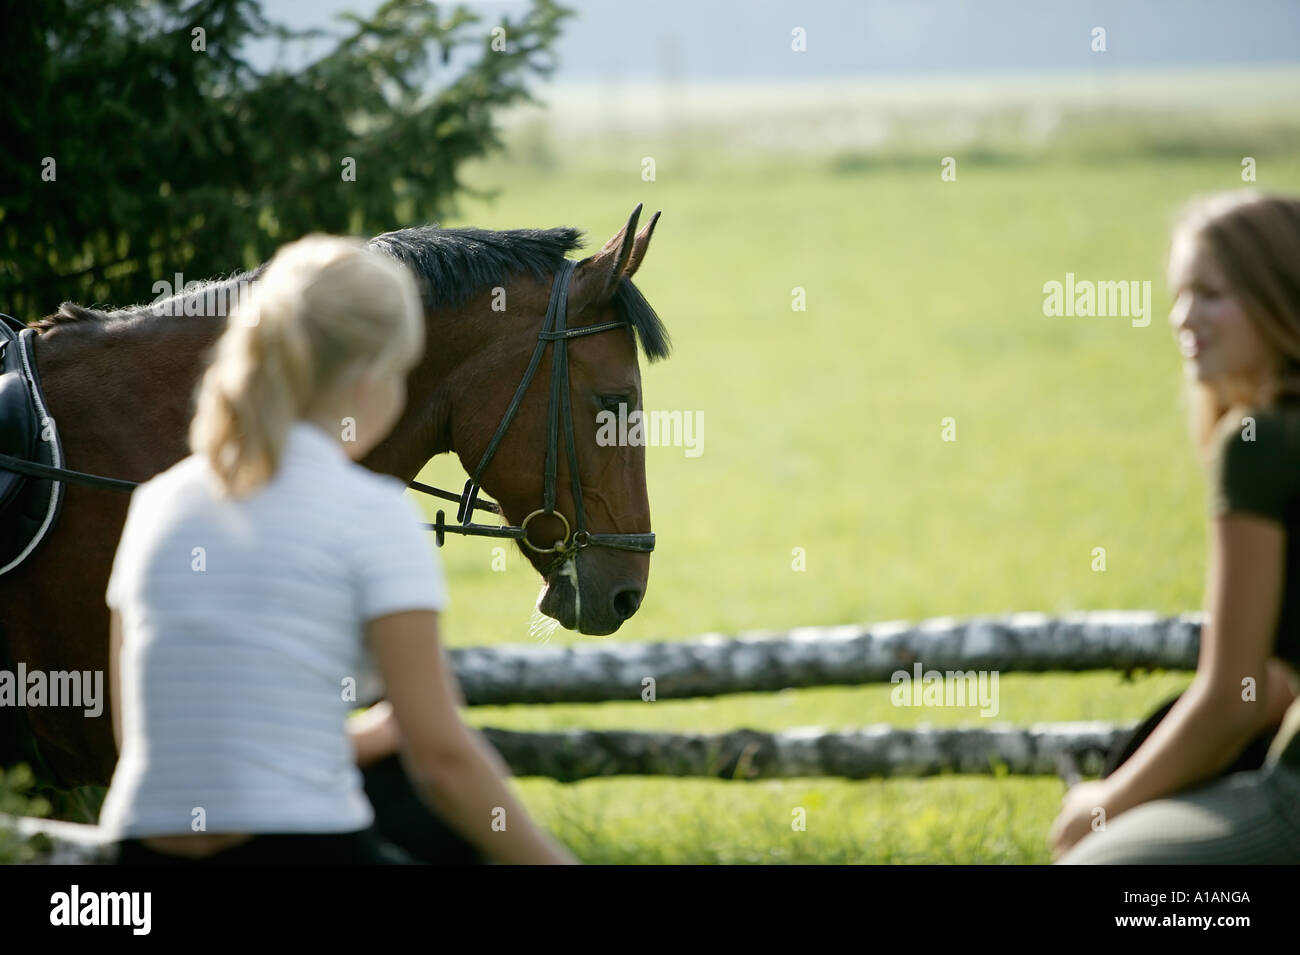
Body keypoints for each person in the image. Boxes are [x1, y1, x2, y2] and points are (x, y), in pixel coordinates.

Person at [98, 234, 576, 864]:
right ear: (369, 379)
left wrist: (351, 737)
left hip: (137, 861)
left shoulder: (157, 503)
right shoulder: (374, 513)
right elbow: (444, 762)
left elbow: (149, 741)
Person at [1051, 192, 1300, 863]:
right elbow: (1273, 684)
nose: (1185, 318)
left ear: (1280, 296)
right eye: (1180, 294)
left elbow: (1233, 699)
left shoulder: (1258, 443)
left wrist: (1104, 805)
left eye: (1212, 294)